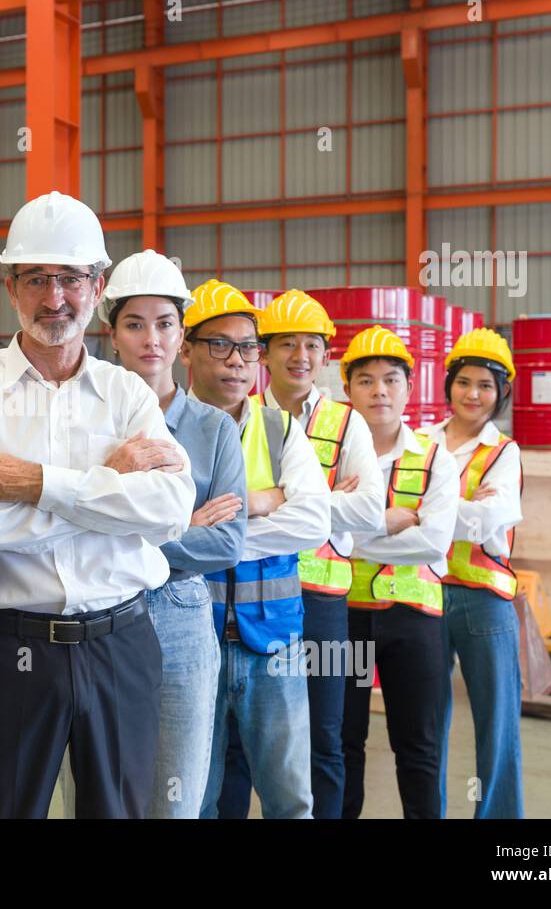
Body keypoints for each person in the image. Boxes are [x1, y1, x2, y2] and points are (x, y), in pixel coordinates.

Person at [0, 194, 196, 819]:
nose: (54, 298)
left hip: (121, 642)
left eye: (71, 279)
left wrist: (36, 484)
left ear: (98, 286)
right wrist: (105, 485)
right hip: (10, 648)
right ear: (11, 288)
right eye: (36, 279)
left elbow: (169, 511)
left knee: (122, 811)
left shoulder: (126, 393)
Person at [91, 249, 247, 818]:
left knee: (176, 795)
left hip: (181, 619)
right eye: (134, 324)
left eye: (164, 324)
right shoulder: (85, 422)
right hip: (97, 613)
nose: (149, 339)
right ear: (112, 334)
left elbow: (228, 543)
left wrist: (120, 527)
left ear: (181, 338)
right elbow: (67, 525)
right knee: (98, 793)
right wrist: (182, 524)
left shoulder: (213, 430)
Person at [219, 288, 385, 819]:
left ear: (326, 356)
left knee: (324, 740)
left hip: (322, 603)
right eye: (286, 343)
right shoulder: (237, 414)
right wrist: (296, 500)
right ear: (262, 354)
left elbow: (371, 512)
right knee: (238, 744)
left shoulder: (346, 422)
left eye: (312, 344)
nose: (300, 356)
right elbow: (217, 508)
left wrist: (291, 499)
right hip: (250, 595)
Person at [184, 280, 331, 820]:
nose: (237, 360)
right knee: (192, 797)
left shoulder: (280, 428)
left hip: (274, 643)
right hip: (187, 641)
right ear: (187, 350)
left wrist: (216, 528)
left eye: (248, 347)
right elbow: (155, 527)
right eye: (219, 345)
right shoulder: (164, 428)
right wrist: (266, 502)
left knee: (290, 799)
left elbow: (314, 521)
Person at [339, 325, 458, 820]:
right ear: (346, 389)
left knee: (419, 748)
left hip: (415, 620)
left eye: (391, 379)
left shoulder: (435, 459)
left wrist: (350, 530)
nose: (379, 390)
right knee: (341, 744)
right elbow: (313, 530)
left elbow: (434, 542)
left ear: (409, 388)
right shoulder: (328, 454)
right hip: (342, 619)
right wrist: (386, 525)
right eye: (365, 380)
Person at [421, 327, 524, 819]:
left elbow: (487, 520)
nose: (474, 394)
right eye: (464, 382)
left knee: (496, 725)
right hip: (426, 594)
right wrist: (459, 507)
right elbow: (397, 505)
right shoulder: (421, 441)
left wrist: (434, 509)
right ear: (449, 386)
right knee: (426, 725)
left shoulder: (505, 452)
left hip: (485, 600)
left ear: (501, 392)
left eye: (486, 385)